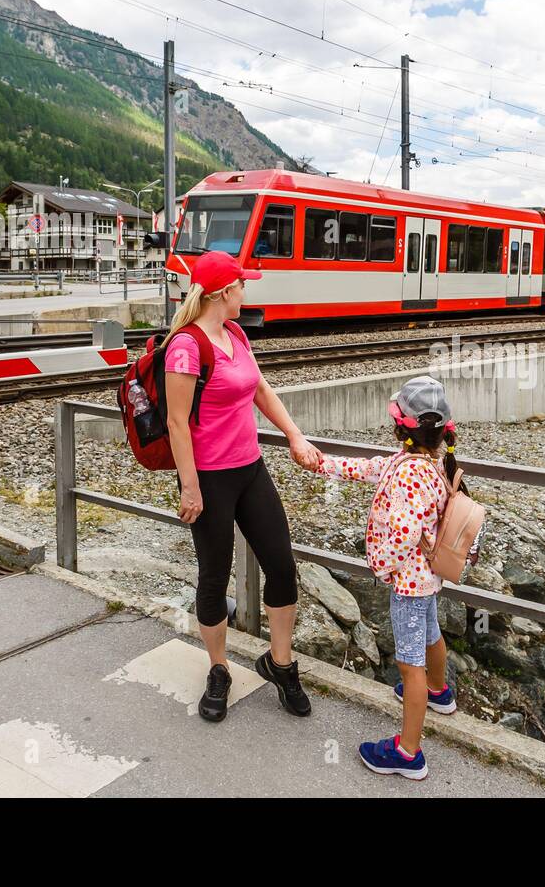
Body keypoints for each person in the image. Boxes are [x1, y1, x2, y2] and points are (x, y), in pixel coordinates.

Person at [164, 252, 322, 722]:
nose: (245, 291)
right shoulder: (186, 347)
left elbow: (260, 389)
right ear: (221, 294)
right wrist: (190, 488)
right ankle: (218, 669)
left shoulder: (235, 333)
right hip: (208, 479)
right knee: (214, 576)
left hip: (250, 468)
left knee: (281, 564)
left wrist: (294, 434)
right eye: (241, 285)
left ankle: (280, 664)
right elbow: (176, 422)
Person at [299, 376, 462, 780]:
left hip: (408, 582)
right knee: (431, 635)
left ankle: (408, 753)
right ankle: (440, 694)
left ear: (399, 426)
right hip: (429, 578)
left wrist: (382, 564)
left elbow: (404, 533)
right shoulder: (431, 463)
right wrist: (323, 463)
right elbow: (368, 468)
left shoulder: (406, 472)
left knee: (410, 666)